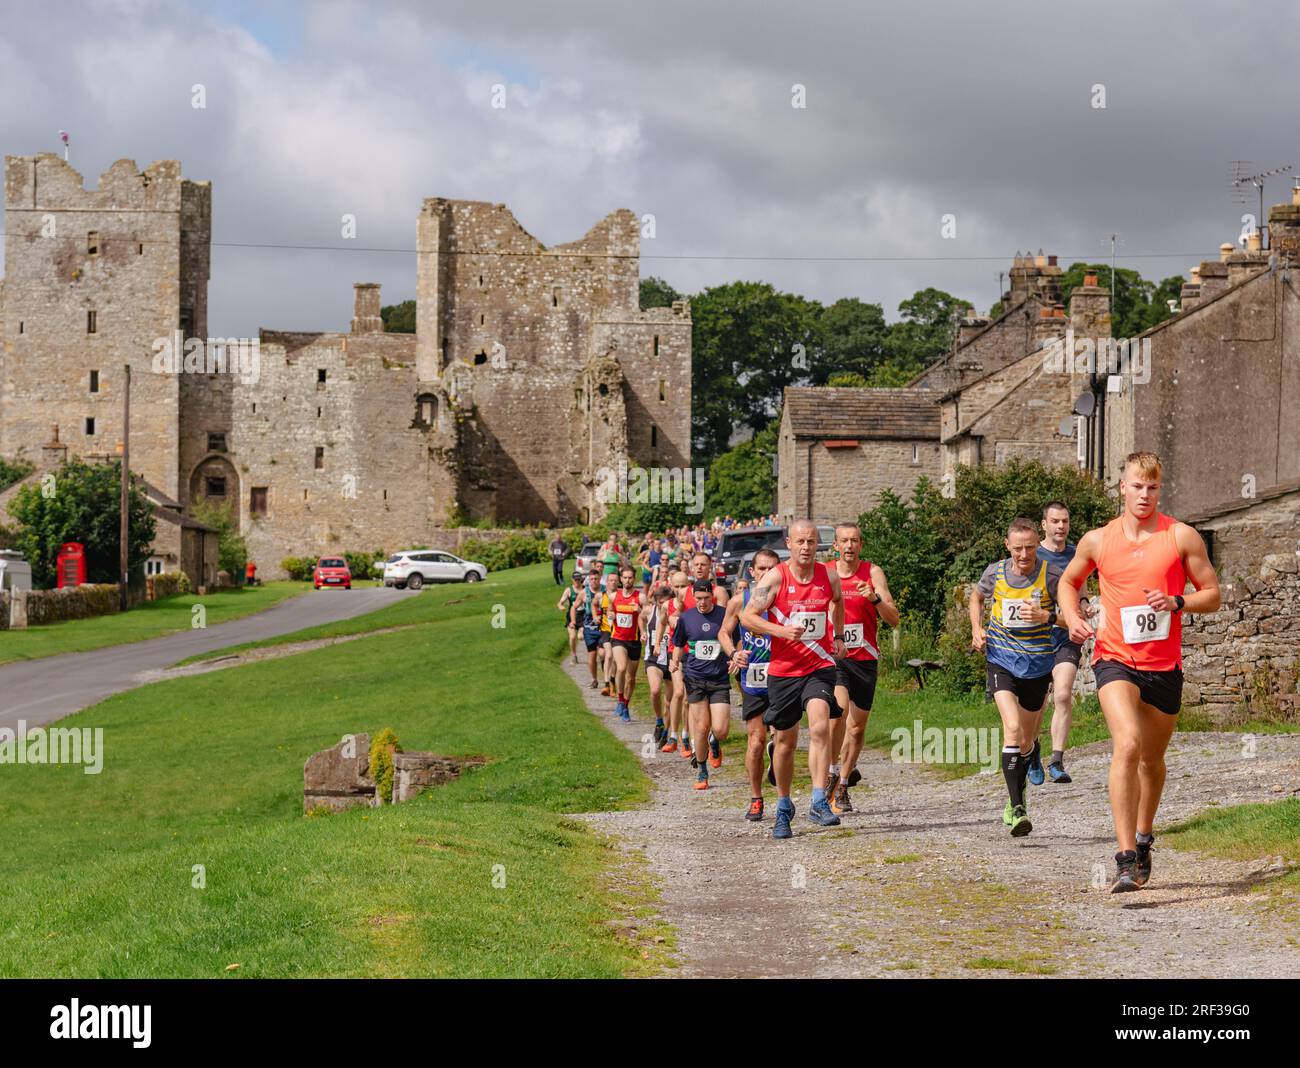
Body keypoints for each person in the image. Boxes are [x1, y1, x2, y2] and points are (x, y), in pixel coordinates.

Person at [1057, 451, 1220, 893]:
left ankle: (1144, 837)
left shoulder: (1180, 536)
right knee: (1127, 744)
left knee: (1151, 760)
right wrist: (1072, 616)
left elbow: (1213, 594)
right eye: (1137, 486)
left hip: (1164, 666)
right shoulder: (1098, 540)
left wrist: (1177, 601)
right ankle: (1125, 858)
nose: (1144, 495)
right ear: (1122, 487)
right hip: (1114, 657)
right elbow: (1068, 582)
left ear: (1159, 489)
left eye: (1152, 487)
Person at [740, 519, 845, 838]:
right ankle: (784, 805)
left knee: (820, 724)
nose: (806, 547)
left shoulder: (828, 575)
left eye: (811, 542)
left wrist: (839, 635)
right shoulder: (776, 577)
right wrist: (780, 631)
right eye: (800, 541)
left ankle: (818, 800)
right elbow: (748, 617)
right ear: (789, 544)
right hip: (784, 671)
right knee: (785, 742)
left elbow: (838, 601)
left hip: (819, 666)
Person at [970, 518, 1066, 838]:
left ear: (1038, 544)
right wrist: (977, 629)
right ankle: (1017, 807)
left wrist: (1045, 616)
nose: (1024, 554)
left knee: (1025, 740)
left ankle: (1032, 752)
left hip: (1037, 666)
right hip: (1001, 660)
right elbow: (976, 597)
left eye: (1030, 547)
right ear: (1007, 546)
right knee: (1011, 729)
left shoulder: (1052, 575)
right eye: (1017, 548)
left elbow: (1072, 618)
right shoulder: (995, 572)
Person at [827, 523, 899, 814]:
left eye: (854, 540)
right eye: (844, 541)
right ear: (835, 545)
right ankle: (831, 772)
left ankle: (843, 783)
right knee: (838, 714)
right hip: (835, 656)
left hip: (865, 658)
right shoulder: (826, 573)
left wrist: (874, 598)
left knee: (856, 729)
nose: (849, 546)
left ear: (861, 544)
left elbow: (893, 619)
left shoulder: (873, 572)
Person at [1036, 501, 1093, 783]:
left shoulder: (1076, 554)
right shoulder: (1032, 554)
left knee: (1062, 694)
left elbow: (1081, 589)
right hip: (1035, 639)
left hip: (1067, 636)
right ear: (1044, 525)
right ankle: (1031, 752)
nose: (1061, 526)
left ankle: (1056, 761)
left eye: (1065, 521)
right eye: (1055, 521)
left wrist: (1084, 604)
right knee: (1037, 703)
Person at [726, 547, 779, 821]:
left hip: (784, 675)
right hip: (753, 678)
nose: (767, 573)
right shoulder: (740, 601)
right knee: (756, 741)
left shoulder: (787, 599)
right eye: (762, 569)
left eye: (772, 568)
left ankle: (782, 792)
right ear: (752, 572)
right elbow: (723, 632)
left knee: (783, 739)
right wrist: (733, 653)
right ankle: (756, 797)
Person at [671, 579, 737, 791]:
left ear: (713, 597)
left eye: (706, 598)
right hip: (695, 678)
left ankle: (714, 741)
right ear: (693, 597)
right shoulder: (686, 618)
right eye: (698, 598)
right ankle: (701, 769)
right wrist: (674, 661)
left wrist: (735, 657)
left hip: (719, 678)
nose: (702, 602)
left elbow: (736, 639)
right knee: (700, 727)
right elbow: (678, 644)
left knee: (721, 729)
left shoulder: (724, 615)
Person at [609, 566, 643, 722]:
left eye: (630, 578)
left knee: (631, 678)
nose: (627, 580)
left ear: (634, 579)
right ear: (620, 579)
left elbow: (648, 615)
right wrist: (611, 614)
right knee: (621, 667)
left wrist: (640, 610)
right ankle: (620, 699)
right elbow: (610, 611)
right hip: (618, 638)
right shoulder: (613, 596)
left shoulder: (640, 597)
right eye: (625, 577)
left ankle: (625, 706)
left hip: (634, 641)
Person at [644, 585, 676, 745]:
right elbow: (640, 618)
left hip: (671, 660)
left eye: (667, 602)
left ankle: (666, 732)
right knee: (655, 690)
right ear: (656, 602)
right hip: (654, 658)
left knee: (670, 701)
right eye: (661, 602)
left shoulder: (677, 615)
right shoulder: (650, 612)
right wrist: (643, 633)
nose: (664, 605)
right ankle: (659, 721)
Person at [576, 571, 605, 689]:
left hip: (604, 626)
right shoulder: (584, 592)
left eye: (596, 579)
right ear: (589, 580)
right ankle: (594, 679)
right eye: (591, 579)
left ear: (600, 579)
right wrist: (577, 624)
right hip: (589, 627)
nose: (594, 581)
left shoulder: (605, 590)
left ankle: (608, 679)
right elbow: (574, 607)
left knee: (603, 654)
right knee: (592, 654)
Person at [557, 571, 583, 665]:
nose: (577, 581)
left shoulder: (585, 589)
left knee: (580, 636)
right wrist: (560, 606)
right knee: (572, 637)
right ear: (572, 579)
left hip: (583, 616)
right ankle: (574, 656)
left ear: (581, 579)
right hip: (572, 616)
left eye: (578, 579)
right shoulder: (569, 590)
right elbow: (560, 602)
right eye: (575, 579)